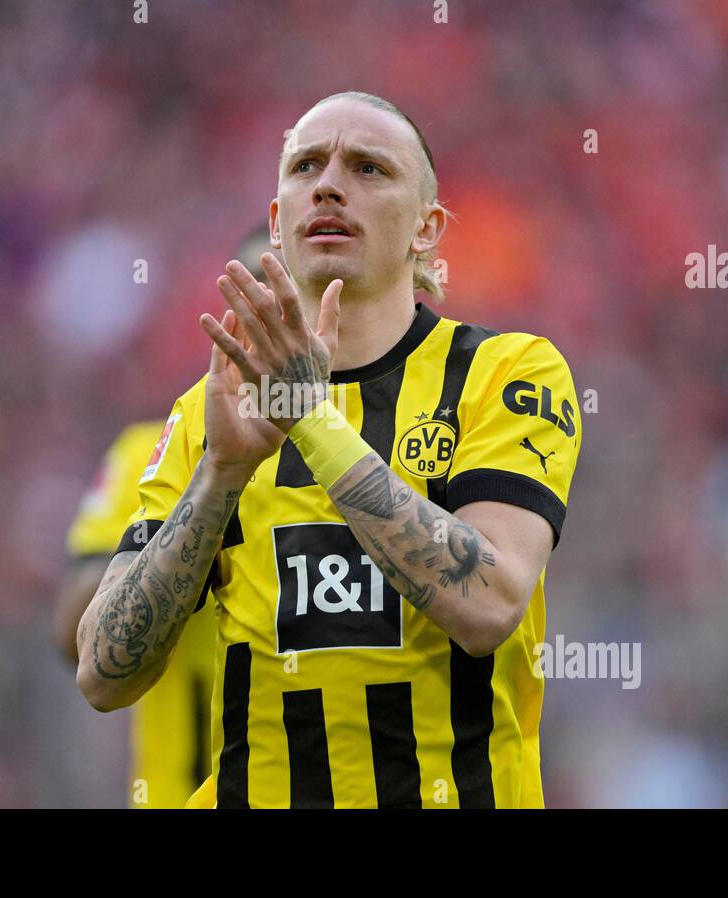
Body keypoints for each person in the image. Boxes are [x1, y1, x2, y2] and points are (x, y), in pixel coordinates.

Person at [77, 91, 582, 808]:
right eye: (306, 165)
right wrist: (220, 474)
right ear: (278, 223)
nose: (330, 183)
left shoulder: (504, 373)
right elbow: (103, 672)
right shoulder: (208, 413)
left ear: (425, 230)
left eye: (369, 169)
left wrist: (310, 422)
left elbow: (490, 604)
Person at [54, 228, 282, 808]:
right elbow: (74, 639)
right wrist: (189, 547)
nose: (270, 308)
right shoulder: (154, 447)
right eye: (254, 287)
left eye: (287, 288)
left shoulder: (358, 458)